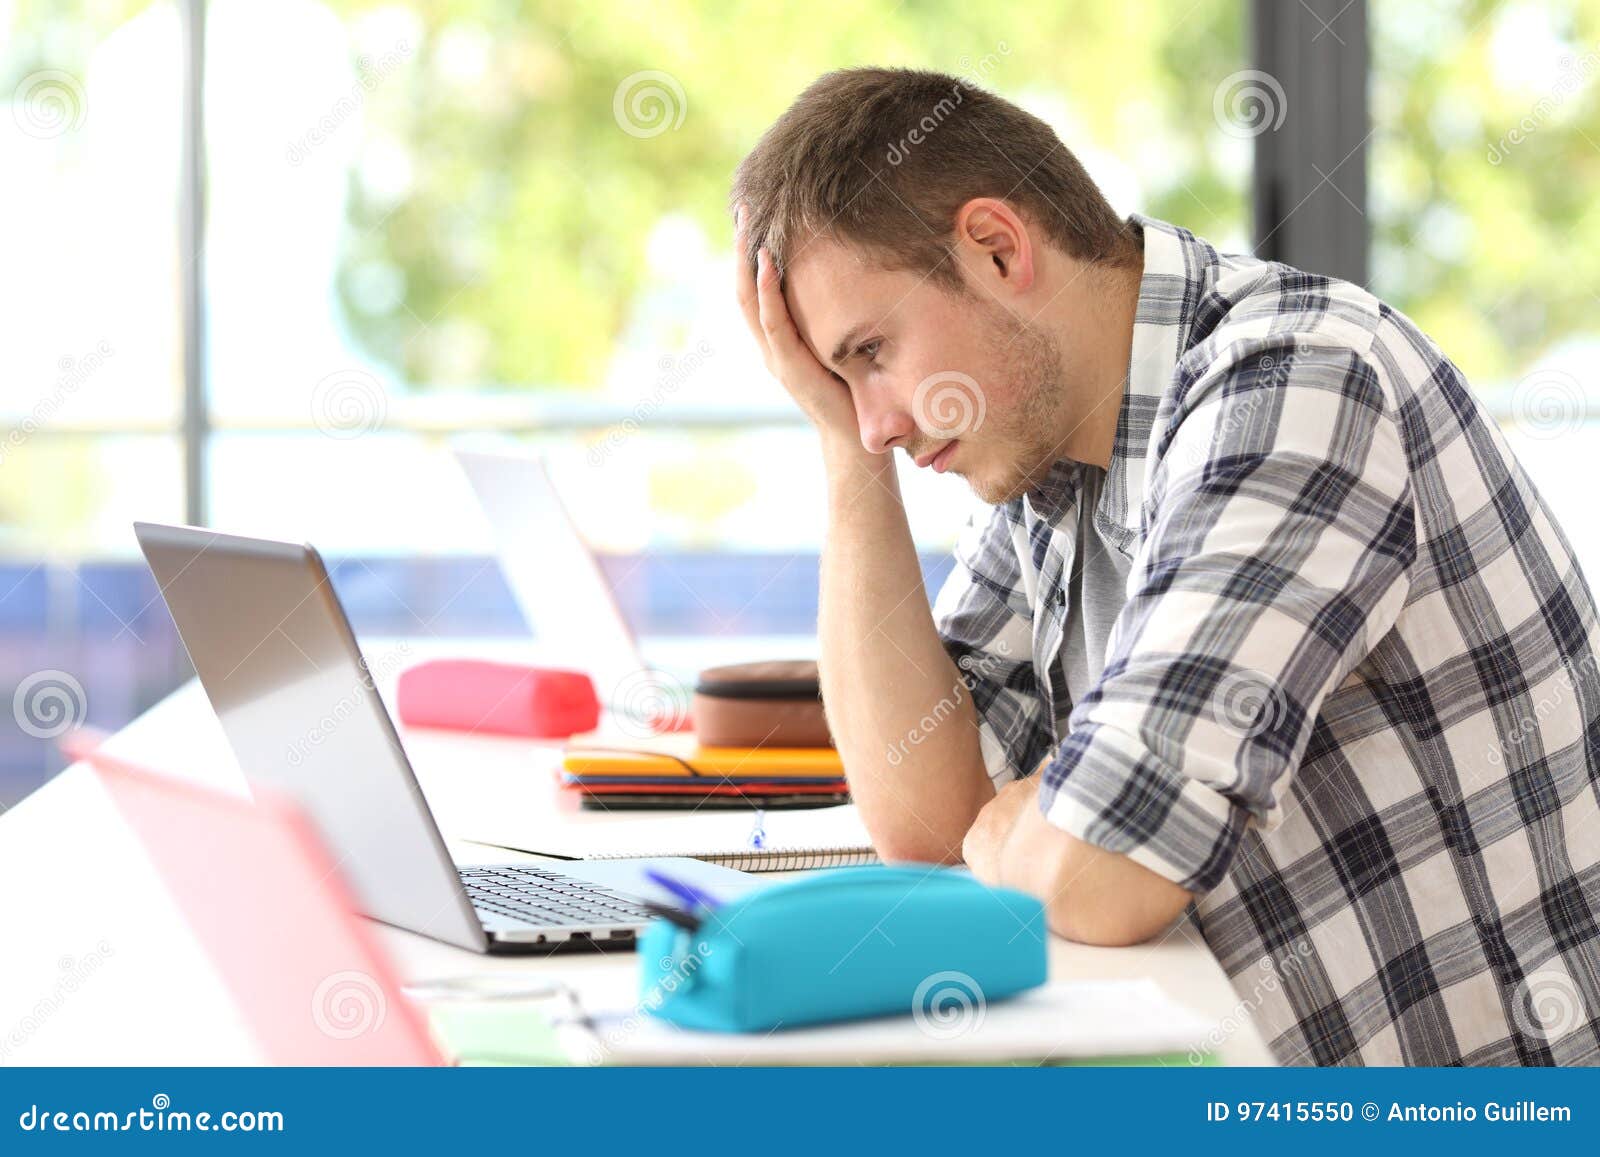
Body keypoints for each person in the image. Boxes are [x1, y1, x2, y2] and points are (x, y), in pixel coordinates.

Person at [730, 66, 1600, 1066]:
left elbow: (1107, 871)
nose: (877, 420)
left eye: (871, 351)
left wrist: (1036, 828)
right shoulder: (1046, 460)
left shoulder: (1299, 379)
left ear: (996, 247)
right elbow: (927, 830)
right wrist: (846, 456)